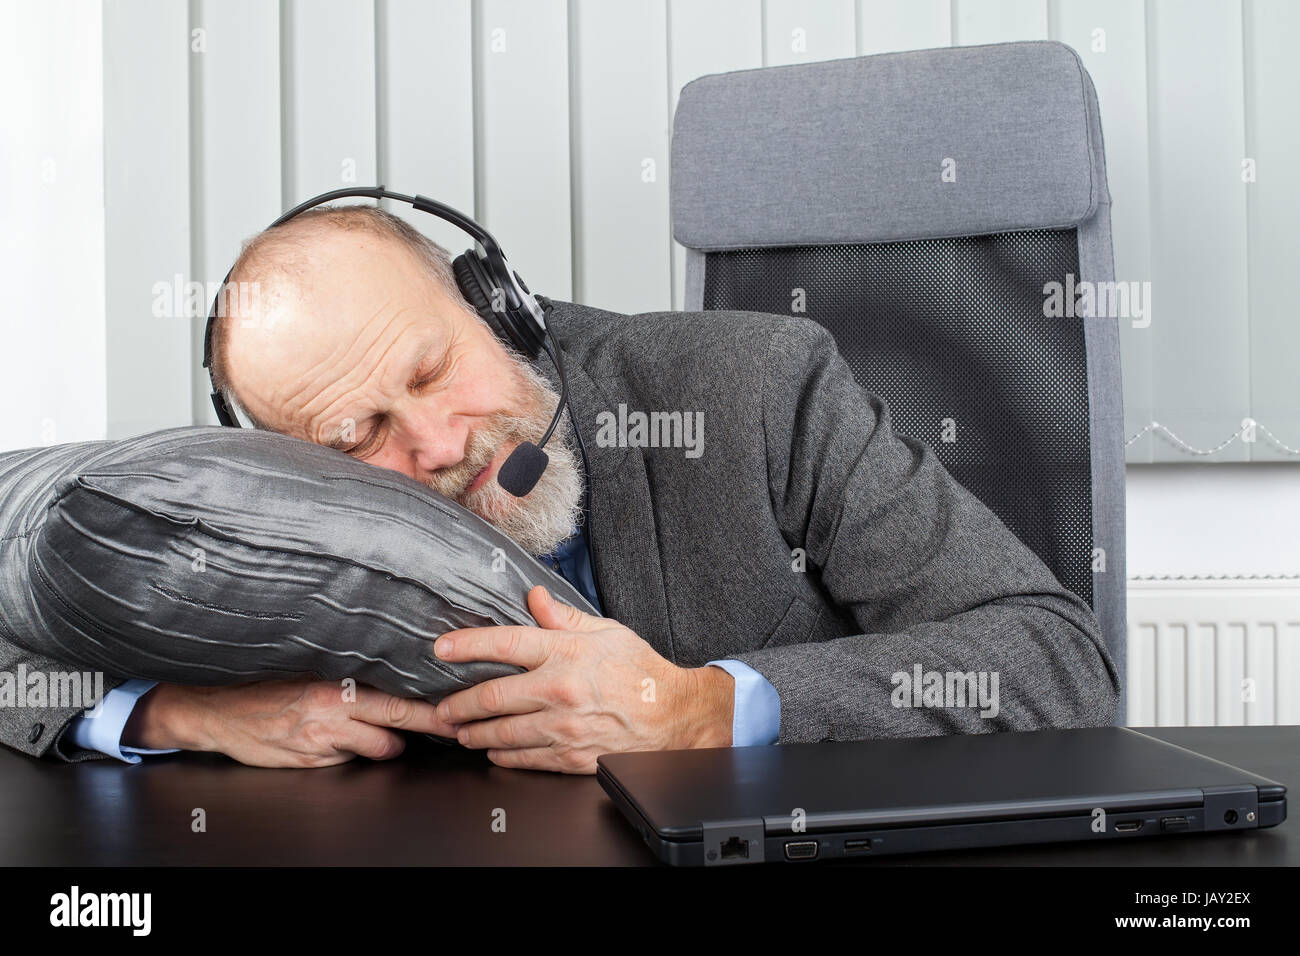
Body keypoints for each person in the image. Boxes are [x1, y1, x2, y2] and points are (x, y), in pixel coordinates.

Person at [52, 205, 1119, 773]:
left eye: (431, 372)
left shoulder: (754, 388)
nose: (433, 443)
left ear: (498, 306)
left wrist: (705, 709)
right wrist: (177, 712)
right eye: (356, 433)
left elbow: (1054, 660)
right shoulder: (267, 519)